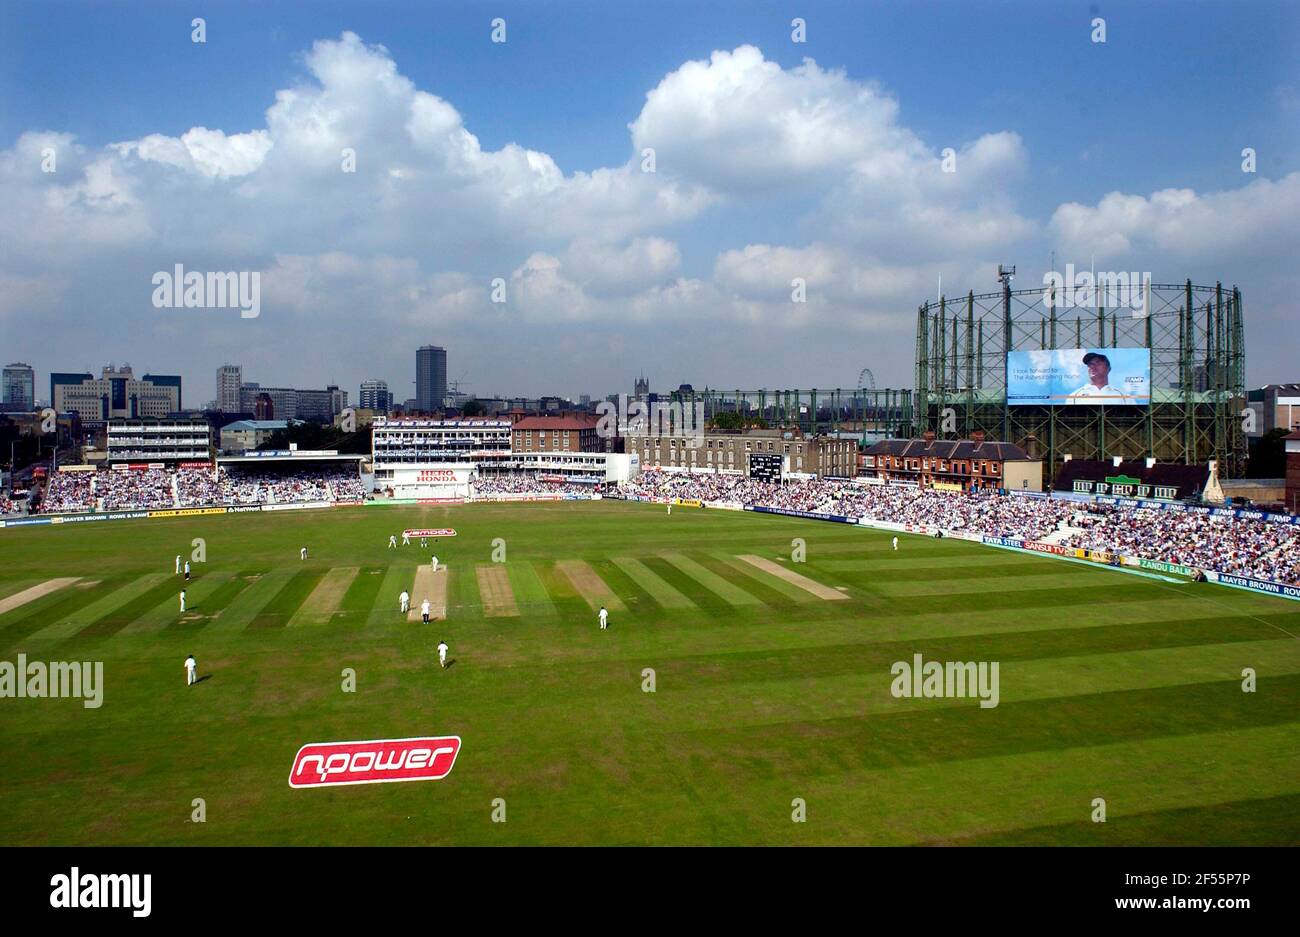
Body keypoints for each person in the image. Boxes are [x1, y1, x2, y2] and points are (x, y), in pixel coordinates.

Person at [1067, 352, 1135, 403]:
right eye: (1090, 364)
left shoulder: (1124, 396)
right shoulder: (1074, 396)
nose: (1092, 367)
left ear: (1109, 368)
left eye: (1097, 363)